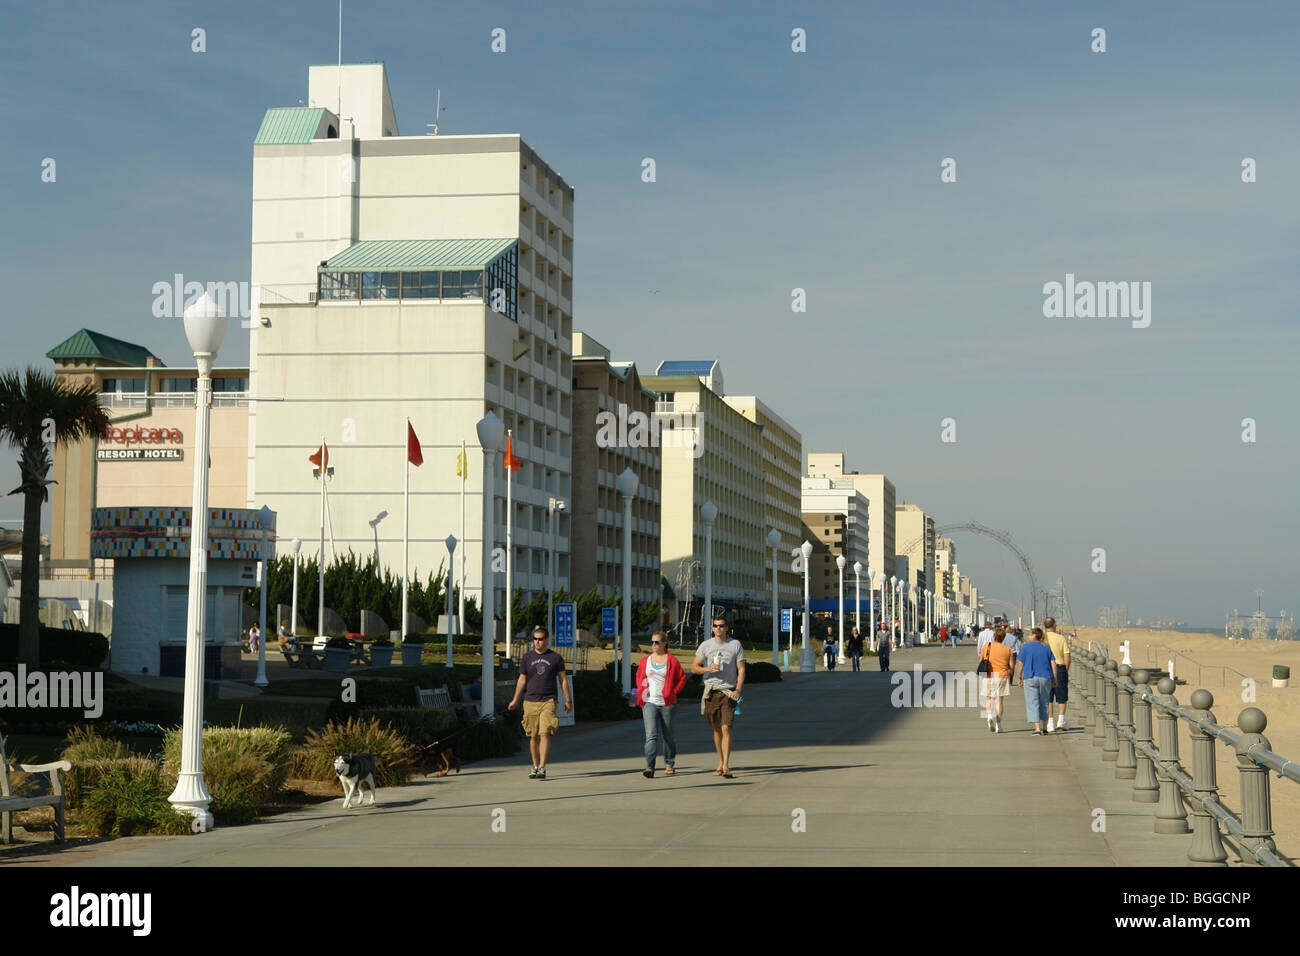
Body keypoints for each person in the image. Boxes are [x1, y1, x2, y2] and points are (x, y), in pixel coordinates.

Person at [507, 625, 572, 779]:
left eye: (541, 639)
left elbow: (563, 680)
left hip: (548, 700)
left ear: (547, 640)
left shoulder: (555, 658)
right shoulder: (527, 657)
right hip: (530, 701)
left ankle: (542, 767)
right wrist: (515, 699)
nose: (537, 642)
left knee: (544, 733)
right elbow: (522, 679)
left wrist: (568, 700)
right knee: (533, 736)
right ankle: (535, 766)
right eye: (535, 639)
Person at [692, 614, 746, 778]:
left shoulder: (735, 644)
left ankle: (726, 766)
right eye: (715, 626)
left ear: (727, 628)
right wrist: (708, 669)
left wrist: (737, 690)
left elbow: (741, 669)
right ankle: (720, 762)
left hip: (729, 692)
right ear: (712, 628)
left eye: (721, 625)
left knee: (726, 727)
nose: (718, 629)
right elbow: (695, 668)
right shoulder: (706, 645)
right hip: (711, 691)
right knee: (716, 730)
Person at [636, 630, 687, 777]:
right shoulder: (646, 660)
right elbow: (639, 677)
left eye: (656, 642)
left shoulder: (671, 660)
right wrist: (641, 692)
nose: (653, 645)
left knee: (668, 735)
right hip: (649, 702)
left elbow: (682, 678)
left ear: (664, 643)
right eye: (652, 642)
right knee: (651, 735)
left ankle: (669, 763)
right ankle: (649, 767)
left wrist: (673, 692)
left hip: (667, 703)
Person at [1015, 627, 1057, 735]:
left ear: (1035, 635)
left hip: (1030, 677)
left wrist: (1019, 677)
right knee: (1045, 702)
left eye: (1030, 634)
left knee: (1032, 703)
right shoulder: (1046, 647)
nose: (1028, 636)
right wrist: (1054, 678)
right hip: (1045, 677)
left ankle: (1037, 729)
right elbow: (1053, 664)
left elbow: (1020, 663)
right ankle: (1045, 728)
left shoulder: (1026, 647)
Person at [980, 627, 1015, 733]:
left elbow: (981, 660)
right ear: (1003, 638)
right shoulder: (1007, 649)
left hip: (989, 675)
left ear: (994, 636)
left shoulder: (986, 646)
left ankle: (989, 716)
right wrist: (1011, 675)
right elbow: (1011, 666)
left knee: (989, 698)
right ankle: (998, 725)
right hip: (1002, 675)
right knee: (999, 701)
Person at [1043, 617, 1071, 732]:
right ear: (1054, 625)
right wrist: (1066, 669)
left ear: (1045, 626)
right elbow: (1067, 656)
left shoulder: (1042, 638)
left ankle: (1050, 722)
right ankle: (1061, 720)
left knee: (1048, 697)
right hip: (1059, 668)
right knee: (1061, 696)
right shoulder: (1061, 638)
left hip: (1045, 669)